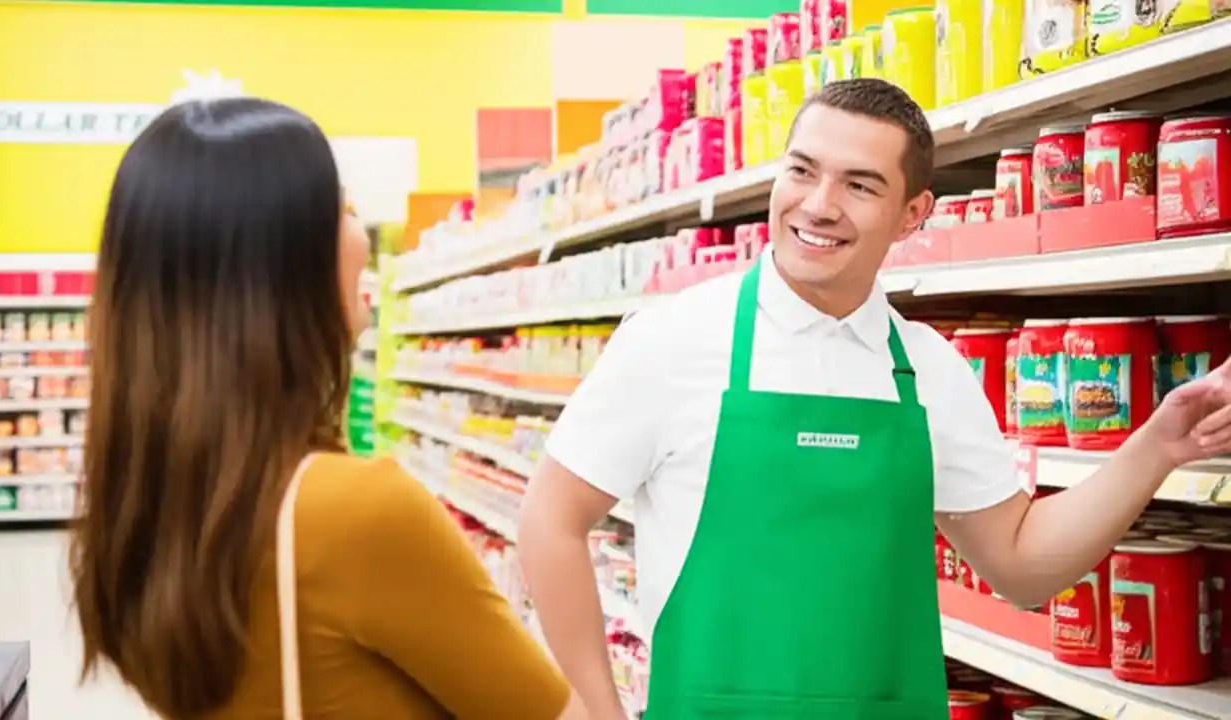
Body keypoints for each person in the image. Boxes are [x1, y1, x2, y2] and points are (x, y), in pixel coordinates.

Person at [518, 78, 1231, 719]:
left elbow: (1020, 565)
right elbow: (551, 517)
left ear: (911, 212)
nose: (818, 206)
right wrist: (599, 707)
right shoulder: (672, 341)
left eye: (860, 186)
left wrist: (1155, 448)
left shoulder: (931, 370)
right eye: (802, 172)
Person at [70, 98, 584, 720]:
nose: (361, 234)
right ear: (277, 268)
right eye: (341, 207)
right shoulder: (357, 514)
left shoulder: (145, 502)